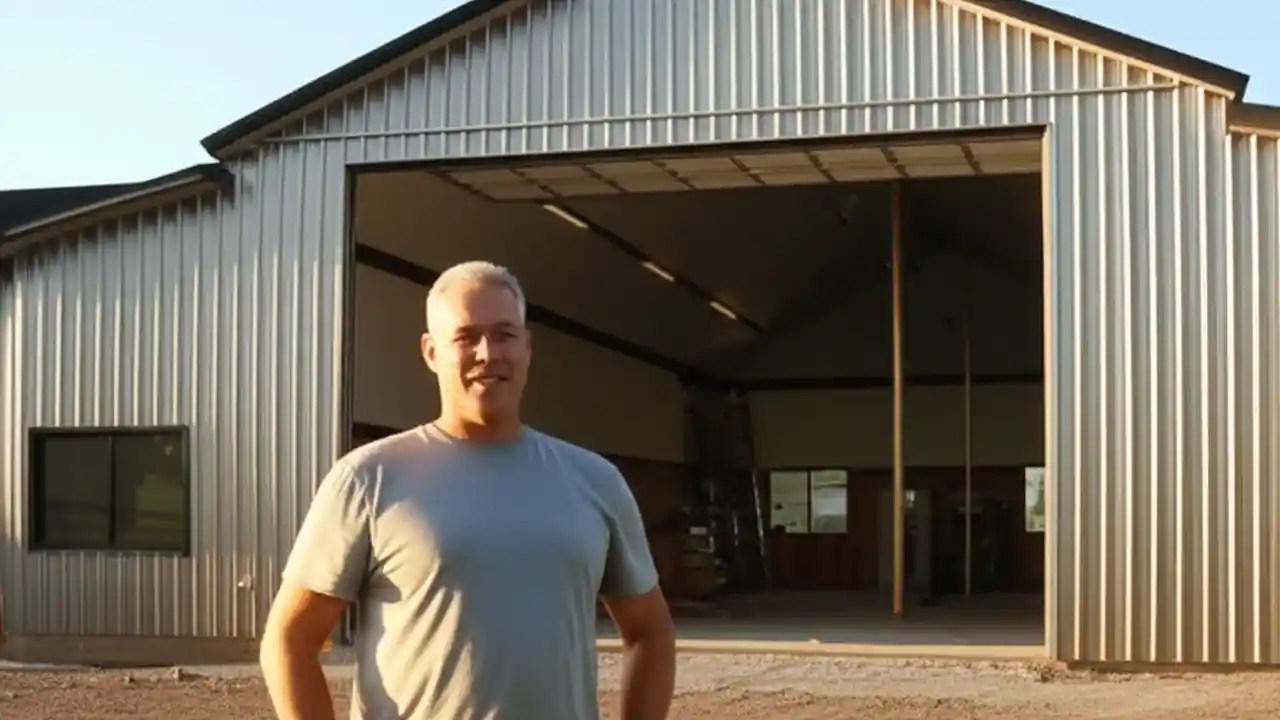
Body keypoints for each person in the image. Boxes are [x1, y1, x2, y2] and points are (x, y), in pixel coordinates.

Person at [260, 261, 677, 719]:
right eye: (465, 337)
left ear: (527, 347)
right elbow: (290, 640)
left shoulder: (595, 481)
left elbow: (650, 631)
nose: (486, 353)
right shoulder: (368, 479)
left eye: (504, 334)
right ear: (431, 352)